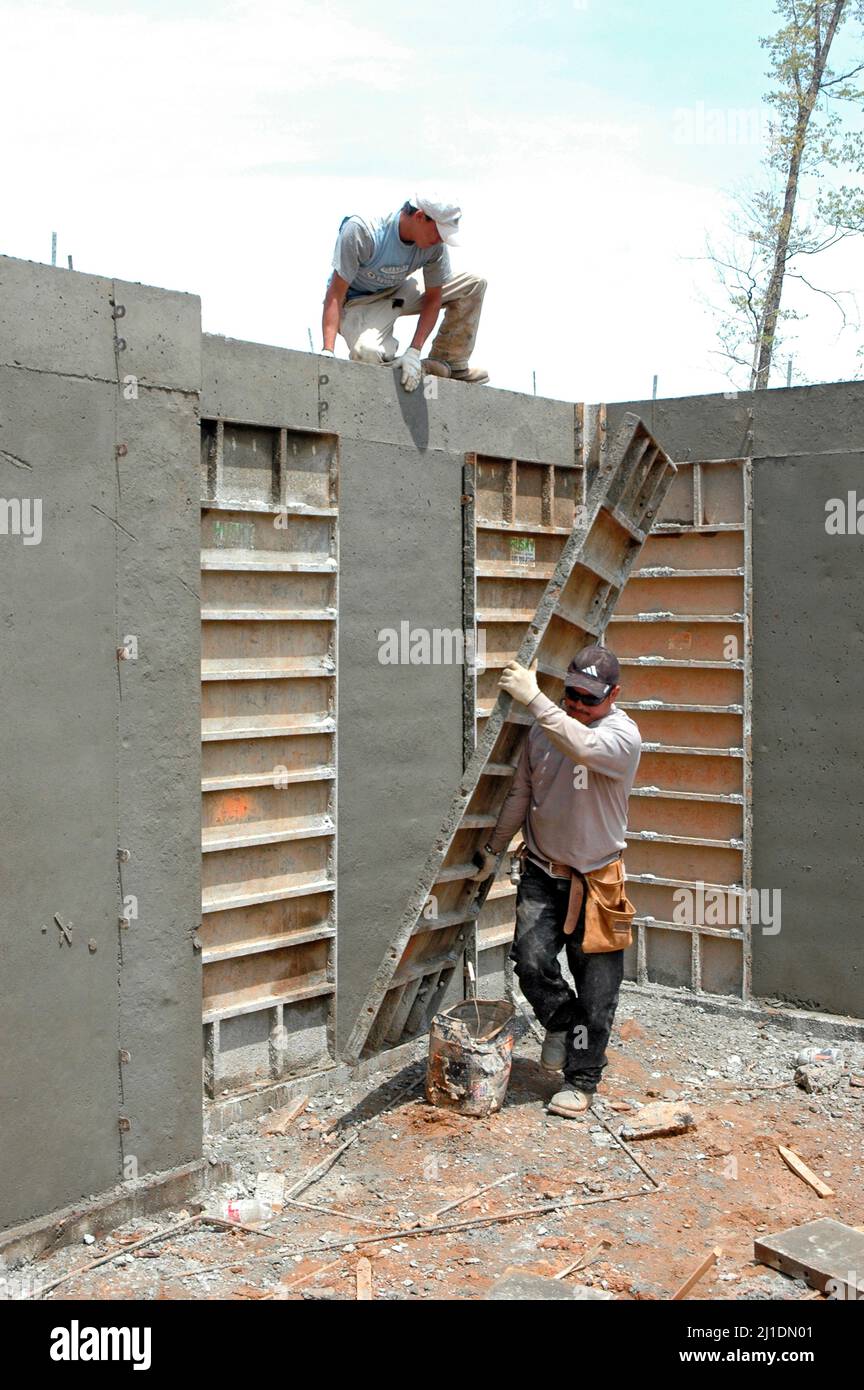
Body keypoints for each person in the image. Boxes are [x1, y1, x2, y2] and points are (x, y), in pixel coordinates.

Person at [472, 646, 641, 1117]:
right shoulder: (542, 733)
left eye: (590, 698)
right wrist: (493, 850)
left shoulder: (622, 736)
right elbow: (520, 794)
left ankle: (581, 1080)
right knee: (530, 963)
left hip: (598, 884)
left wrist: (535, 700)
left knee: (598, 992)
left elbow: (582, 746)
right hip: (543, 874)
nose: (578, 705)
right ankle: (562, 1023)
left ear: (613, 695)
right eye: (572, 694)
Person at [321, 195, 488, 389]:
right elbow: (335, 294)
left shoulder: (435, 246)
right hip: (358, 302)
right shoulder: (363, 231)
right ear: (419, 216)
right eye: (438, 232)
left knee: (473, 285)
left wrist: (414, 351)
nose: (440, 240)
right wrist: (327, 353)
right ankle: (397, 367)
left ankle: (448, 365)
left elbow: (433, 298)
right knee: (366, 353)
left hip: (399, 289)